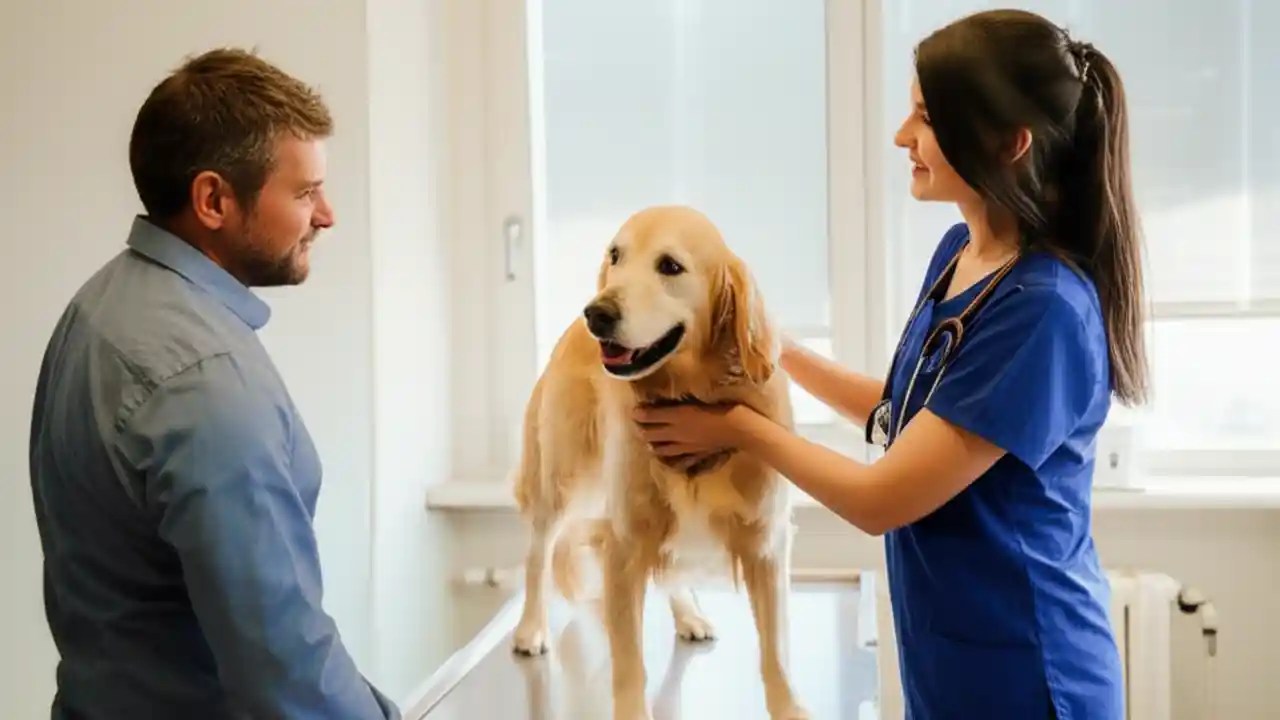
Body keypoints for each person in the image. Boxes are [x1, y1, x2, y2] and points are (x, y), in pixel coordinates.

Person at [634, 9, 1144, 719]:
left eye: (926, 118)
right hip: (951, 664)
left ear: (1009, 143)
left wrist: (738, 430)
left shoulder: (1046, 310)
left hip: (1031, 675)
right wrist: (772, 346)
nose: (902, 136)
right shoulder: (959, 258)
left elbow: (884, 501)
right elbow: (909, 410)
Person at [28, 48, 399, 719]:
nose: (328, 215)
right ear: (213, 199)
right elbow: (282, 660)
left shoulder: (99, 309)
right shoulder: (202, 379)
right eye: (306, 192)